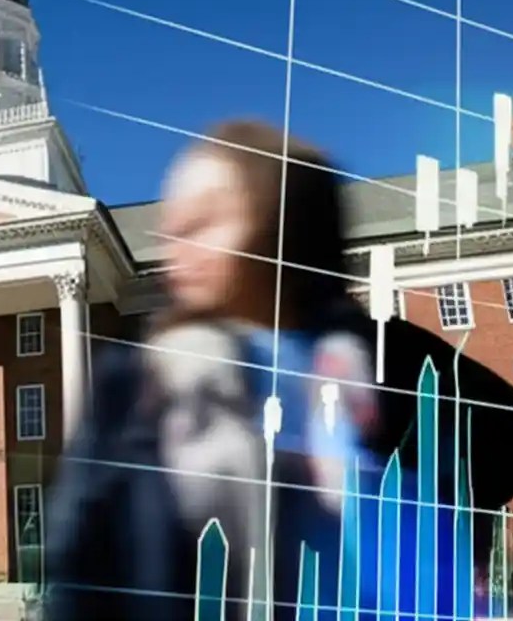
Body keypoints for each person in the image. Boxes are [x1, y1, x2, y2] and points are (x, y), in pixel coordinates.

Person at [42, 120, 380, 621]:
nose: (176, 242)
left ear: (281, 225)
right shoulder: (138, 382)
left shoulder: (369, 373)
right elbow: (80, 551)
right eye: (173, 225)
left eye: (203, 222)